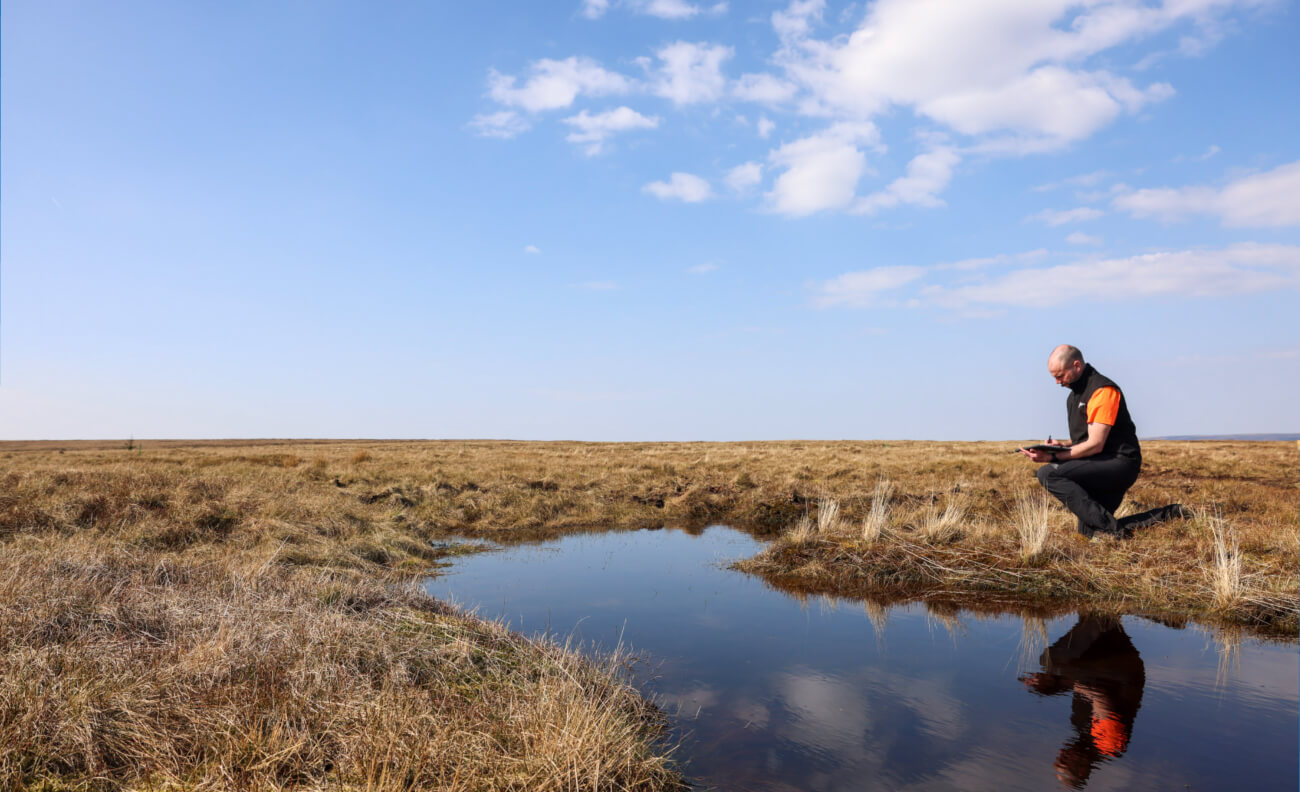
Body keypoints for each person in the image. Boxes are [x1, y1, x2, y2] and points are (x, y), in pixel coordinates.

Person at [1020, 345, 1190, 539]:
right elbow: (1083, 439)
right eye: (1054, 377)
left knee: (1048, 473)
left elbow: (1095, 444)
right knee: (1090, 532)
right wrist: (1060, 446)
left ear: (1077, 366)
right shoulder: (1073, 397)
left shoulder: (1102, 391)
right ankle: (1170, 514)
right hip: (1098, 464)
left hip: (1119, 463)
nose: (1057, 382)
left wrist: (1053, 457)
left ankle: (1116, 533)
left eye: (1060, 376)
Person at [1020, 613, 1146, 789]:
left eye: (1059, 758)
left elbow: (1082, 685)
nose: (1061, 752)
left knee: (1053, 665)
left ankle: (1097, 619)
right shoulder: (1109, 746)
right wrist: (1062, 679)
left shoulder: (1079, 726)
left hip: (1107, 666)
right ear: (1082, 770)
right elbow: (1099, 695)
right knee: (1050, 663)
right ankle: (1101, 619)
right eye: (1064, 760)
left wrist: (1051, 685)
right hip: (1124, 670)